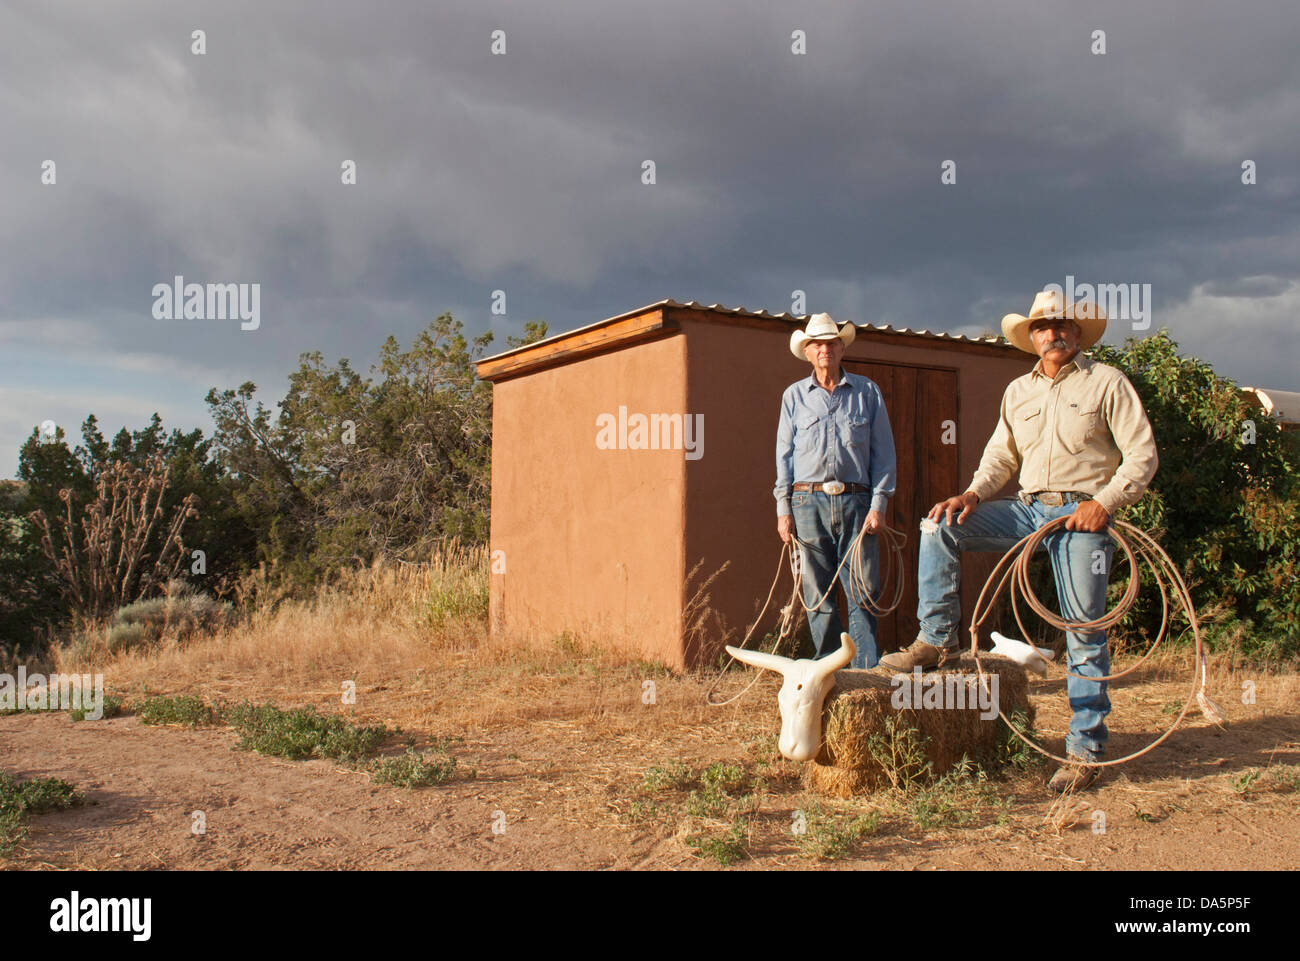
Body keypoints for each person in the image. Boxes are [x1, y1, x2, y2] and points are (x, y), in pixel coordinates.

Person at [878, 289, 1158, 792]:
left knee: (1084, 625)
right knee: (939, 525)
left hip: (1082, 512)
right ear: (1032, 337)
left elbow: (1142, 457)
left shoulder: (1107, 382)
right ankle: (936, 640)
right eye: (1042, 326)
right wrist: (971, 494)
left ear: (1076, 333)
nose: (1052, 333)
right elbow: (1000, 458)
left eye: (1061, 325)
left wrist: (1105, 503)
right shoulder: (1017, 391)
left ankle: (1084, 750)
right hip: (1028, 509)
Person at [775, 313, 898, 669]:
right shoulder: (794, 397)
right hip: (805, 500)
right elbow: (783, 455)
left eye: (831, 343)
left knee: (863, 590)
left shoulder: (867, 392)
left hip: (858, 500)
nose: (825, 349)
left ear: (842, 348)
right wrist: (783, 510)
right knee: (817, 592)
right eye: (817, 345)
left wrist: (879, 504)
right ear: (808, 352)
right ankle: (830, 670)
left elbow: (884, 453)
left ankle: (866, 673)